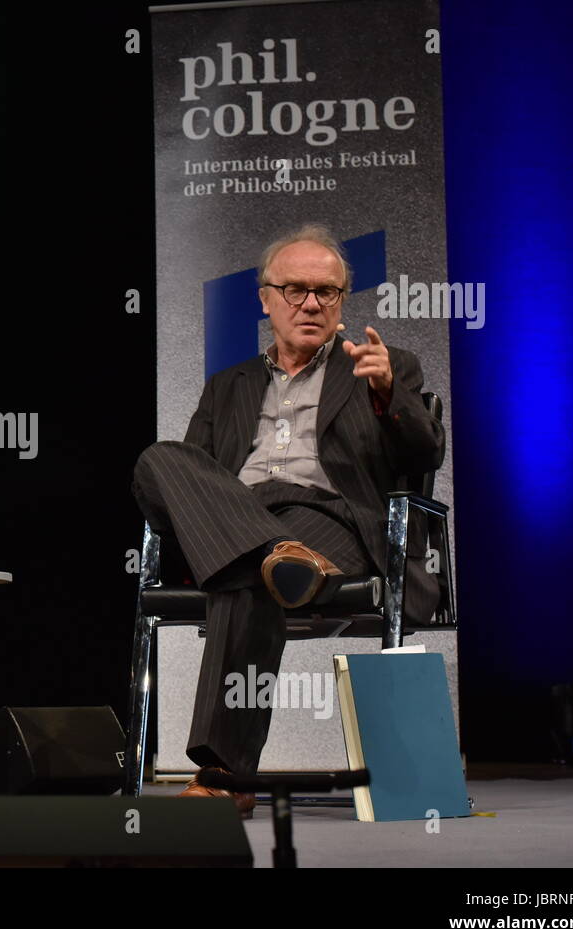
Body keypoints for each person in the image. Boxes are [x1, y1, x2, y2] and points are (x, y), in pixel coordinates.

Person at [132, 224, 444, 816]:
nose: (310, 303)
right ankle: (271, 554)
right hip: (244, 519)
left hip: (329, 524)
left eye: (326, 292)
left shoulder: (384, 365)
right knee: (158, 460)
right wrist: (250, 532)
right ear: (265, 298)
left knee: (245, 572)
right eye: (295, 289)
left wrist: (387, 397)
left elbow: (425, 457)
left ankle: (224, 778)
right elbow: (194, 475)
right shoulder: (227, 386)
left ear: (342, 303)